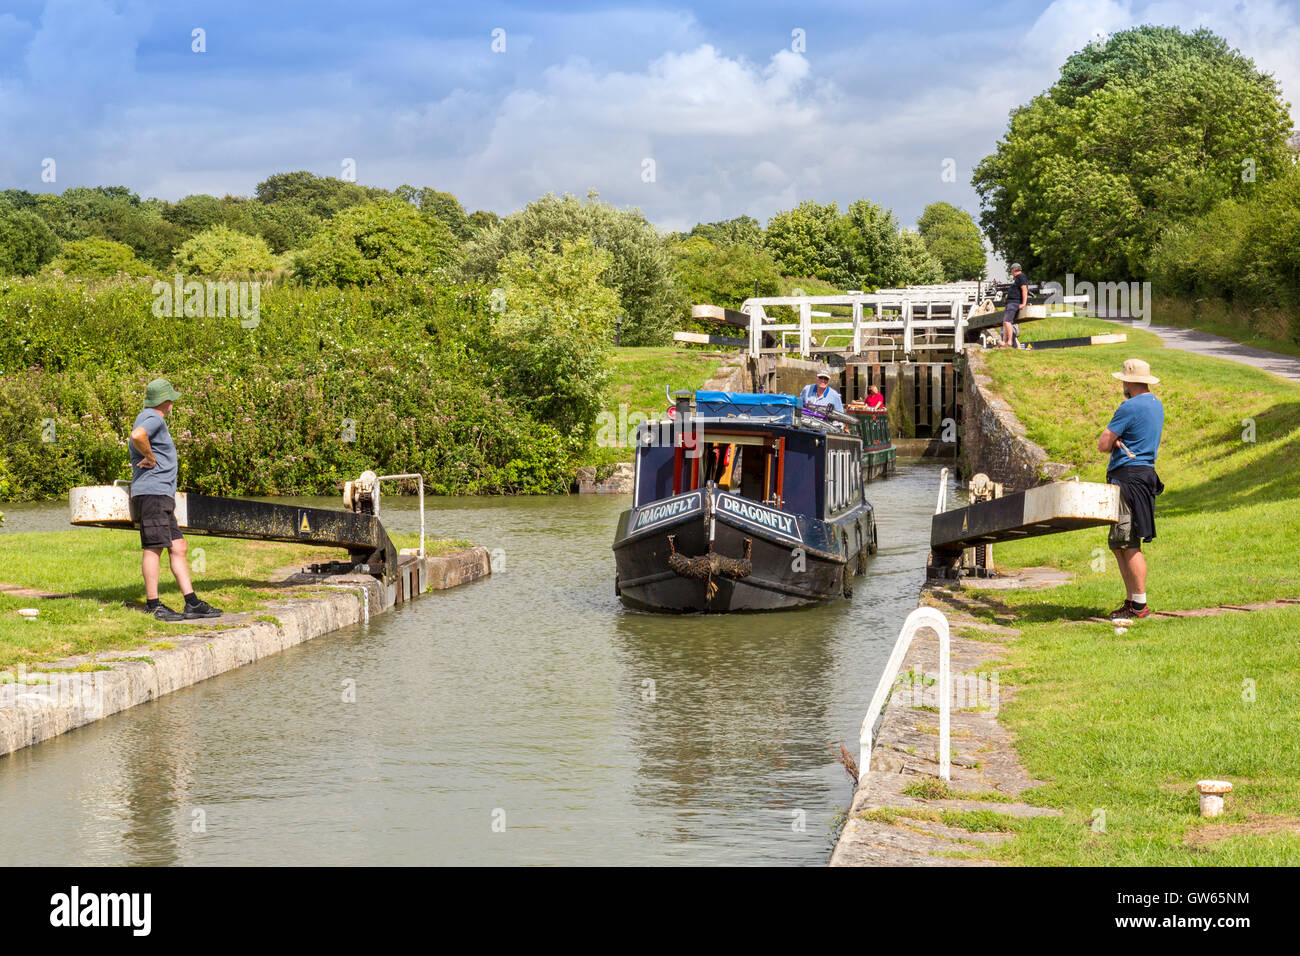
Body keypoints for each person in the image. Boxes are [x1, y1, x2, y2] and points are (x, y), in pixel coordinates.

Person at [129, 378, 222, 621]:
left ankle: (192, 603)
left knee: (179, 546)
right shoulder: (153, 418)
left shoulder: (150, 417)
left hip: (161, 495)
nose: (172, 404)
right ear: (164, 401)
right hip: (153, 493)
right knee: (154, 547)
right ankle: (153, 605)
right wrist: (150, 456)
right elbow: (137, 435)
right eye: (171, 399)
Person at [1097, 359, 1164, 622]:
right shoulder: (1156, 404)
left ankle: (1139, 605)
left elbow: (1103, 443)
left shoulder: (1129, 406)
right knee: (1119, 544)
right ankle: (1131, 600)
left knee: (1128, 542)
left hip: (1127, 477)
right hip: (1144, 475)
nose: (1122, 385)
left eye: (1123, 380)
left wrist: (1113, 441)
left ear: (1129, 382)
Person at [1002, 263, 1028, 348]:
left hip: (1014, 303)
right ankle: (1005, 341)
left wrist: (1024, 303)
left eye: (1011, 270)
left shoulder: (1021, 276)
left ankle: (1009, 341)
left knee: (1007, 321)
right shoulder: (1018, 278)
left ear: (1013, 269)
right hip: (1011, 303)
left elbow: (1024, 290)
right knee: (1005, 322)